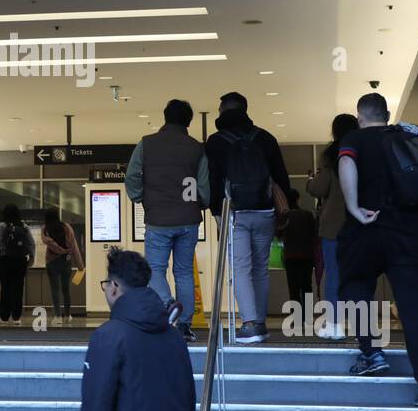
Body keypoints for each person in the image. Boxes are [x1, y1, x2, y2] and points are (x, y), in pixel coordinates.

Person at [337, 92, 418, 409]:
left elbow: (346, 162)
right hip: (413, 234)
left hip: (368, 228)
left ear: (360, 116)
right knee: (416, 310)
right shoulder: (411, 137)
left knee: (356, 285)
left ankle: (372, 352)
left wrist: (354, 207)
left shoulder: (355, 138)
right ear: (387, 114)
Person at [72, 248, 196, 411]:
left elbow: (96, 407)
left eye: (106, 284)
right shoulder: (173, 336)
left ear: (114, 287)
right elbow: (187, 397)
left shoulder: (109, 336)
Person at [205, 92, 292, 344]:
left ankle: (250, 324)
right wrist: (283, 208)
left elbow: (212, 181)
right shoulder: (265, 138)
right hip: (265, 211)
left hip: (235, 212)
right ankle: (261, 322)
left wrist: (216, 212)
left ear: (222, 113)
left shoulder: (216, 142)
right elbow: (281, 176)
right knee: (260, 269)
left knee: (241, 268)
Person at [125, 99, 211, 342]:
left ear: (165, 117)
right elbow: (204, 186)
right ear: (189, 121)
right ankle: (184, 325)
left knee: (154, 269)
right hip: (189, 220)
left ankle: (168, 303)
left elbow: (132, 176)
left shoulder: (147, 144)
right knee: (184, 272)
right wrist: (200, 203)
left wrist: (140, 196)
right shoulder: (196, 148)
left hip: (158, 219)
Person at [306, 113, 359, 340]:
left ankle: (335, 325)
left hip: (334, 226)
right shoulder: (363, 150)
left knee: (334, 275)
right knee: (360, 275)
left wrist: (309, 180)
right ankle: (362, 327)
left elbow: (319, 188)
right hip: (361, 224)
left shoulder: (331, 155)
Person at [279, 189, 318, 330]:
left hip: (290, 257)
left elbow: (279, 233)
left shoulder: (285, 217)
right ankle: (308, 319)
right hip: (306, 256)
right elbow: (314, 233)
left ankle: (296, 319)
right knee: (306, 287)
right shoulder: (307, 215)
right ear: (298, 199)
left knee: (294, 288)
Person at [0, 203, 34, 325]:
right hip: (20, 261)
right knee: (18, 288)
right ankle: (16, 317)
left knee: (5, 289)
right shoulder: (24, 226)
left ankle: (4, 317)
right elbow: (31, 244)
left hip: (5, 260)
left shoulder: (1, 226)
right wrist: (31, 259)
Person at [41, 208, 84, 327]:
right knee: (66, 289)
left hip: (51, 261)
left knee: (55, 290)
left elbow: (47, 242)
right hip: (66, 261)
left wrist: (58, 249)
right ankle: (68, 314)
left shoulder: (45, 229)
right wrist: (80, 265)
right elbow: (74, 246)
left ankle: (58, 316)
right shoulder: (66, 227)